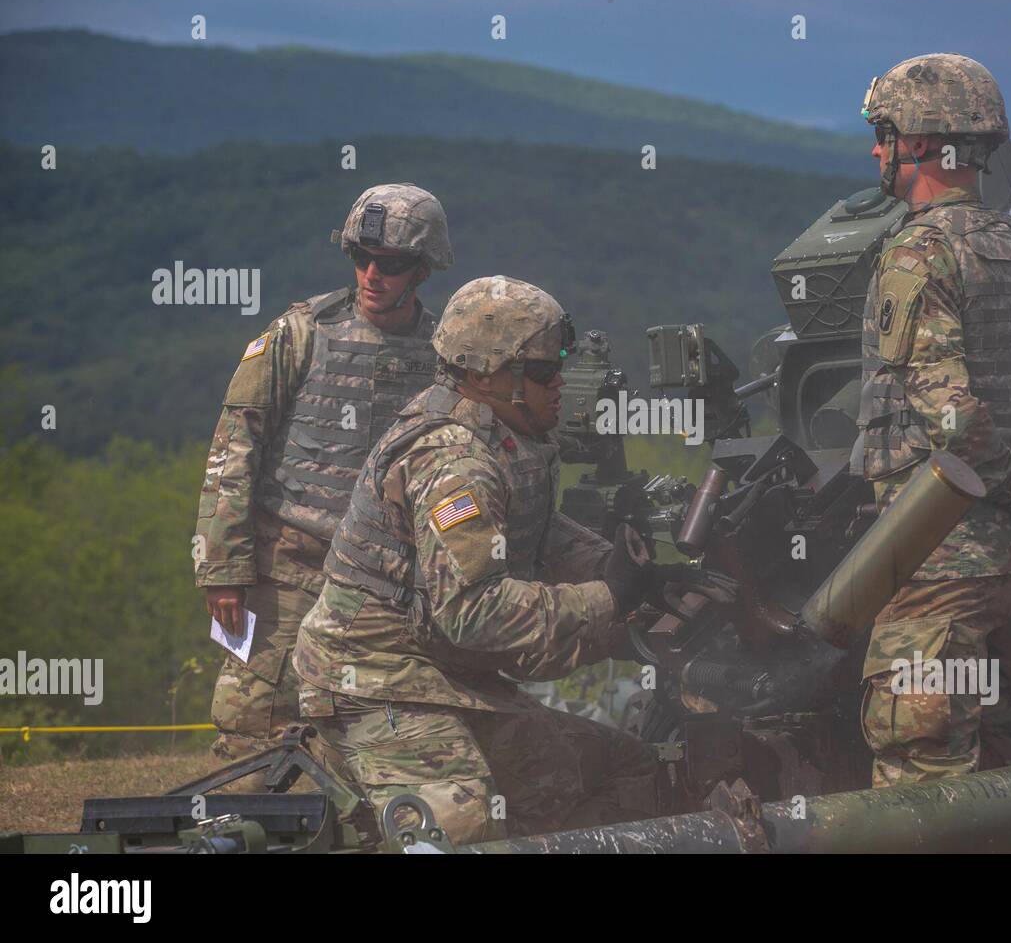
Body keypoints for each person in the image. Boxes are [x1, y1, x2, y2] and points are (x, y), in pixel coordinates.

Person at [293, 275, 664, 845]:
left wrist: (623, 569)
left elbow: (529, 532)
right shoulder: (453, 462)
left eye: (558, 365)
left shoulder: (504, 434)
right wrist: (607, 596)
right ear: (488, 375)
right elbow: (473, 610)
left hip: (449, 676)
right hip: (374, 678)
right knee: (464, 825)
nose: (559, 383)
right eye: (543, 371)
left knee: (624, 767)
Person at [856, 54, 1011, 787]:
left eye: (883, 132)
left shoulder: (919, 252)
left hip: (939, 562)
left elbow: (950, 414)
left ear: (922, 143)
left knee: (923, 777)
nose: (875, 149)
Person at [195, 183, 453, 764]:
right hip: (289, 569)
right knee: (252, 732)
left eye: (390, 264)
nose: (371, 274)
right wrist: (224, 567)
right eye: (360, 258)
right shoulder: (300, 333)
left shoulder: (442, 354)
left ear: (423, 269)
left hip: (390, 581)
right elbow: (234, 450)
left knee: (382, 734)